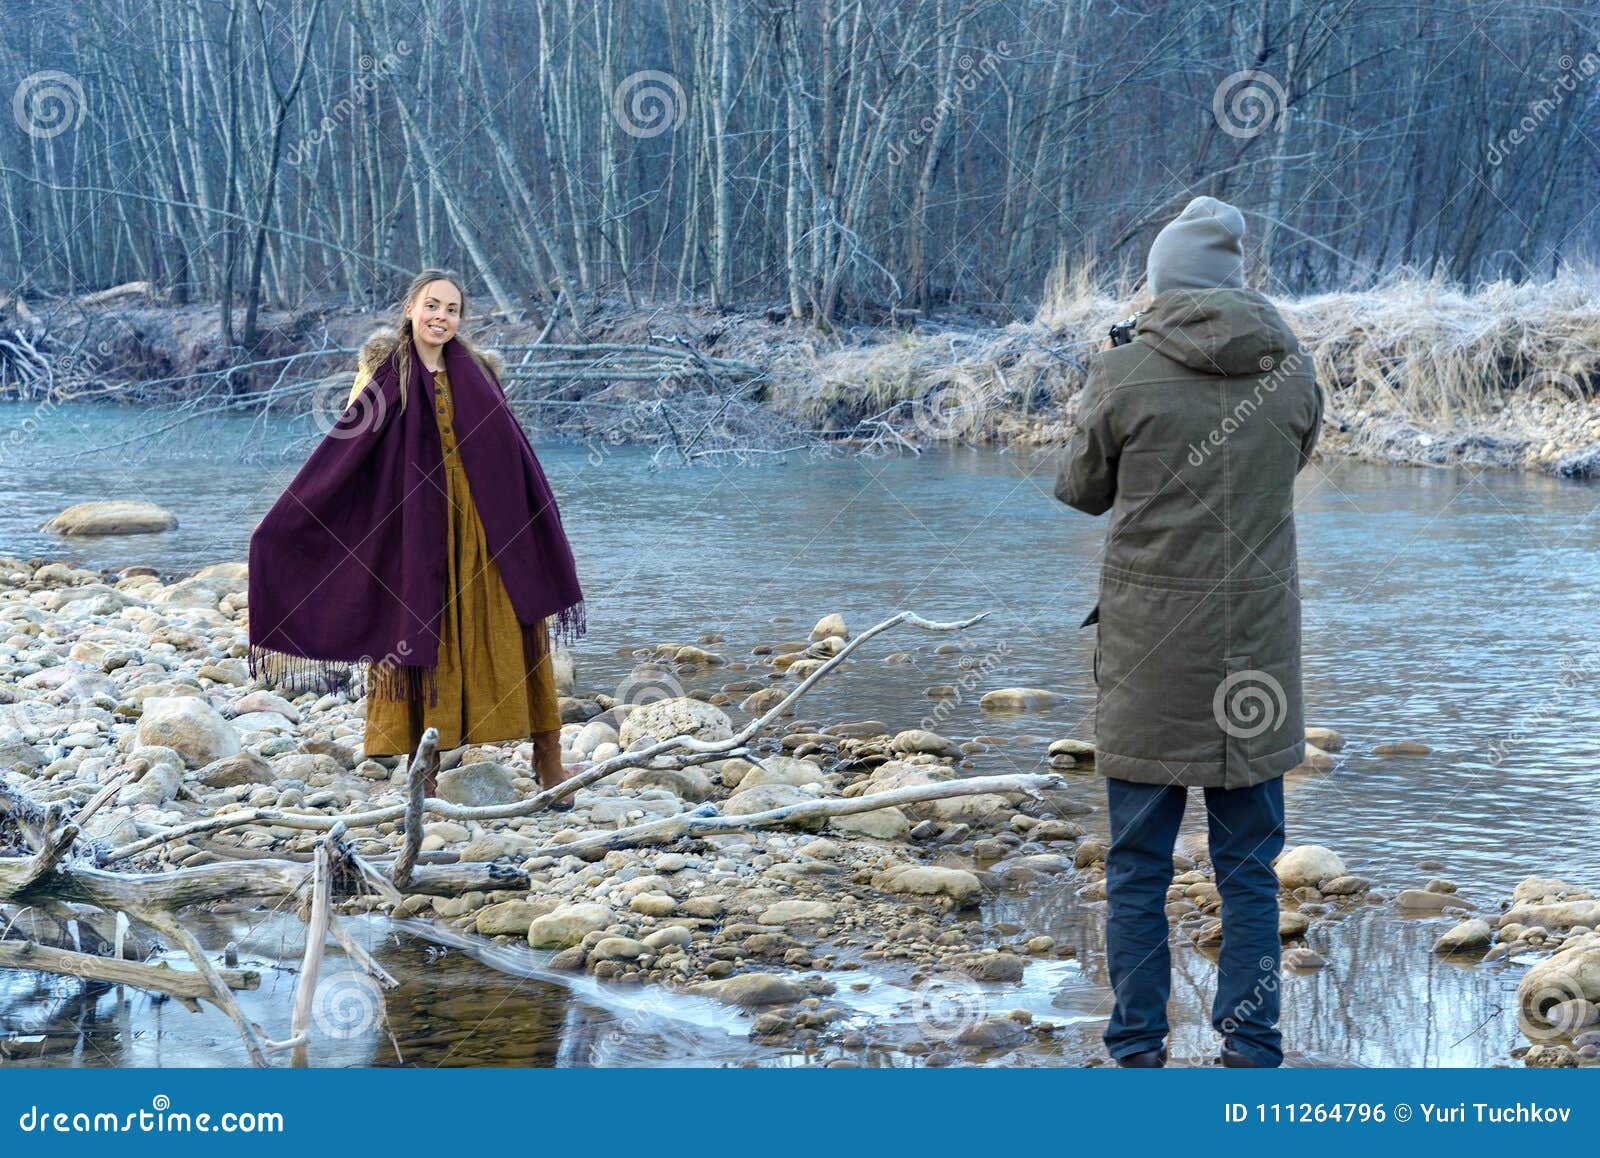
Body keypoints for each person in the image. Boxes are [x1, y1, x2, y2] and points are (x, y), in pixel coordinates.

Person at [1054, 196, 1323, 1068]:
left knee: (1138, 867)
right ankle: (1252, 1052)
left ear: (1163, 283)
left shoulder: (1124, 372)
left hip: (1147, 658)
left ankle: (1137, 1053)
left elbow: (1080, 488)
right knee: (1249, 870)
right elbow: (1295, 456)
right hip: (1256, 658)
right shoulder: (1291, 372)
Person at [247, 269, 586, 804]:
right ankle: (421, 770)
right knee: (418, 638)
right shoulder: (385, 374)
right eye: (432, 305)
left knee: (517, 631)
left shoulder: (479, 373)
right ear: (410, 308)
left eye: (452, 310)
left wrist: (534, 522)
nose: (441, 318)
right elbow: (347, 454)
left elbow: (515, 457)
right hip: (415, 530)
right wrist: (287, 522)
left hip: (486, 528)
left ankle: (549, 759)